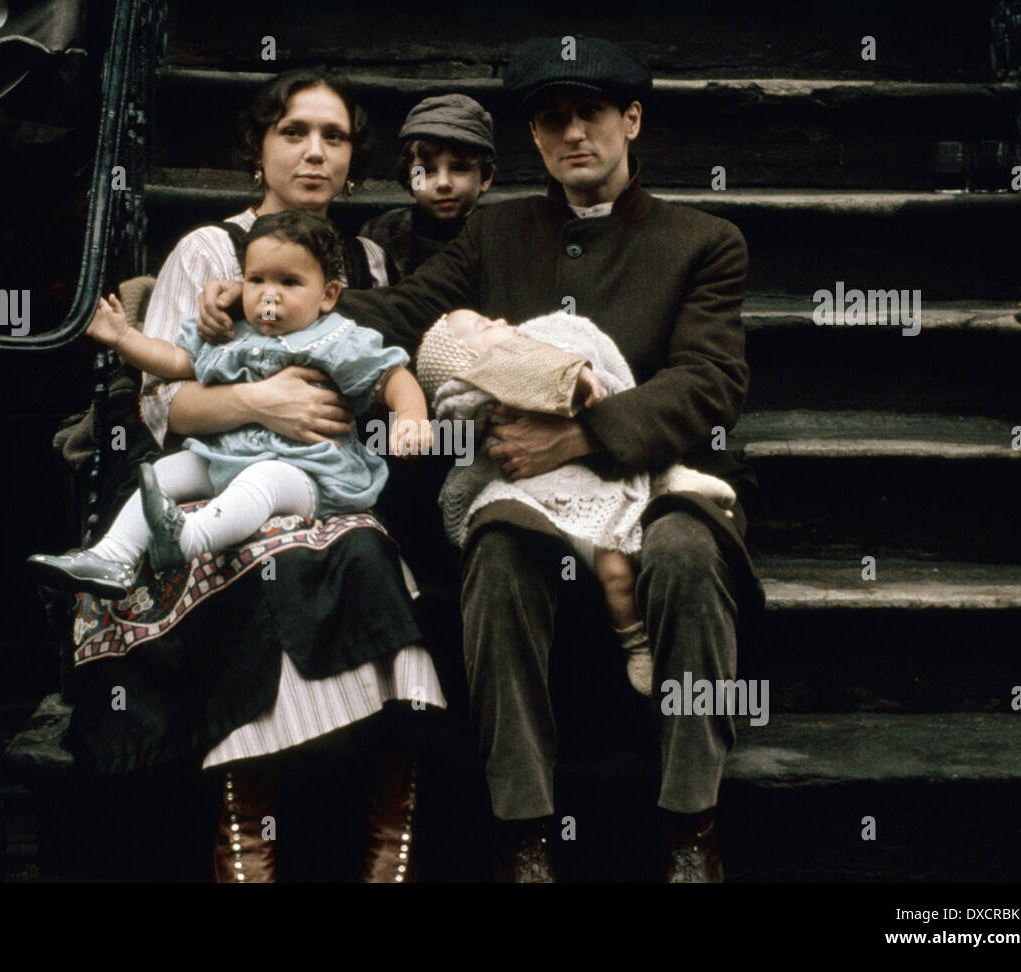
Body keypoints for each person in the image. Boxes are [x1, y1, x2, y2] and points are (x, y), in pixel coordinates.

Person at [197, 37, 766, 884]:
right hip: (528, 490)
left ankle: (692, 826)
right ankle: (525, 837)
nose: (574, 134)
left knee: (683, 554)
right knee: (495, 554)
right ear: (535, 139)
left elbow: (710, 380)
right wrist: (266, 300)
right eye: (552, 120)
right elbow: (407, 309)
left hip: (660, 475)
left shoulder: (704, 240)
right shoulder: (499, 233)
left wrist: (581, 436)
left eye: (592, 115)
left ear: (632, 121)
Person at [61, 70, 446, 884]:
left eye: (334, 137)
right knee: (275, 558)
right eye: (294, 131)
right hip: (220, 473)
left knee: (358, 552)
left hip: (330, 480)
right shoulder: (210, 249)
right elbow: (168, 410)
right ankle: (248, 838)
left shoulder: (367, 256)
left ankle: (388, 835)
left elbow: (383, 368)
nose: (314, 151)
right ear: (258, 147)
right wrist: (262, 401)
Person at [30, 211, 432, 597]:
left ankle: (189, 538)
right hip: (231, 453)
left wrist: (411, 417)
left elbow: (392, 377)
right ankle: (111, 556)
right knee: (167, 470)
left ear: (327, 295)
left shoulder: (337, 338)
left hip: (311, 473)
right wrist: (122, 338)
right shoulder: (232, 335)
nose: (269, 295)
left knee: (263, 481)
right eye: (257, 280)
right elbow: (173, 360)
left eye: (289, 282)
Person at [415, 308, 738, 696]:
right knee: (615, 568)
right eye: (486, 328)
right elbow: (531, 376)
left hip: (608, 452)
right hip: (551, 486)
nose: (502, 322)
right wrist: (573, 376)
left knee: (662, 513)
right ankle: (636, 644)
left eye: (494, 320)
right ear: (466, 360)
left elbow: (555, 363)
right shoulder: (480, 383)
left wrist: (579, 381)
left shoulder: (538, 341)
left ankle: (670, 481)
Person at [359, 94, 496, 278]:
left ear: (485, 177)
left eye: (459, 169)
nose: (443, 183)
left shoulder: (495, 238)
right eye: (427, 171)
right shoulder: (380, 233)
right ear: (410, 178)